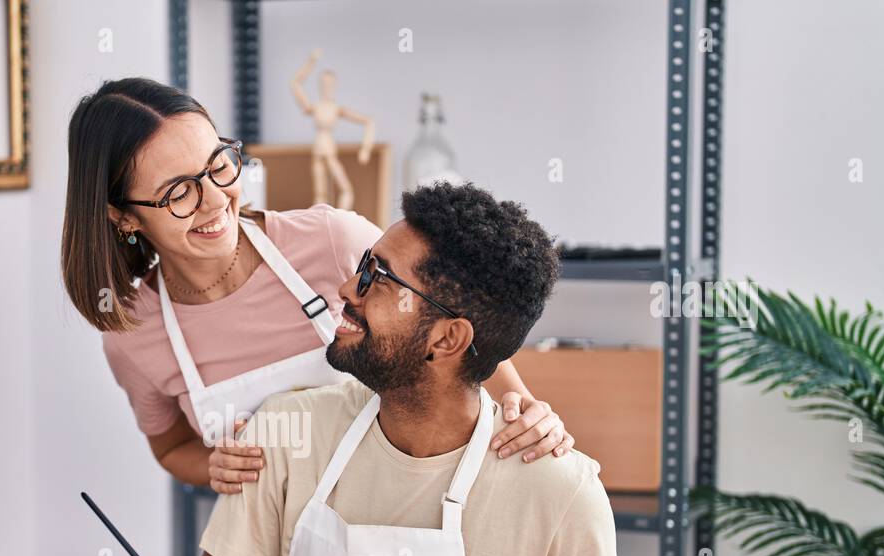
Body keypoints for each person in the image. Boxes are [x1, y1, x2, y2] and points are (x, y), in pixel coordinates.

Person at [139, 181, 632, 556]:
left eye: (378, 279)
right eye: (361, 266)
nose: (347, 289)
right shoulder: (286, 430)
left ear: (446, 339)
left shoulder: (559, 488)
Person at [61, 78, 574, 497]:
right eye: (178, 193)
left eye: (218, 166)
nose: (216, 200)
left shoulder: (331, 240)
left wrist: (527, 411)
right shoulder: (133, 331)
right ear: (122, 216)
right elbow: (173, 450)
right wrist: (214, 465)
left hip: (413, 518)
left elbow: (454, 334)